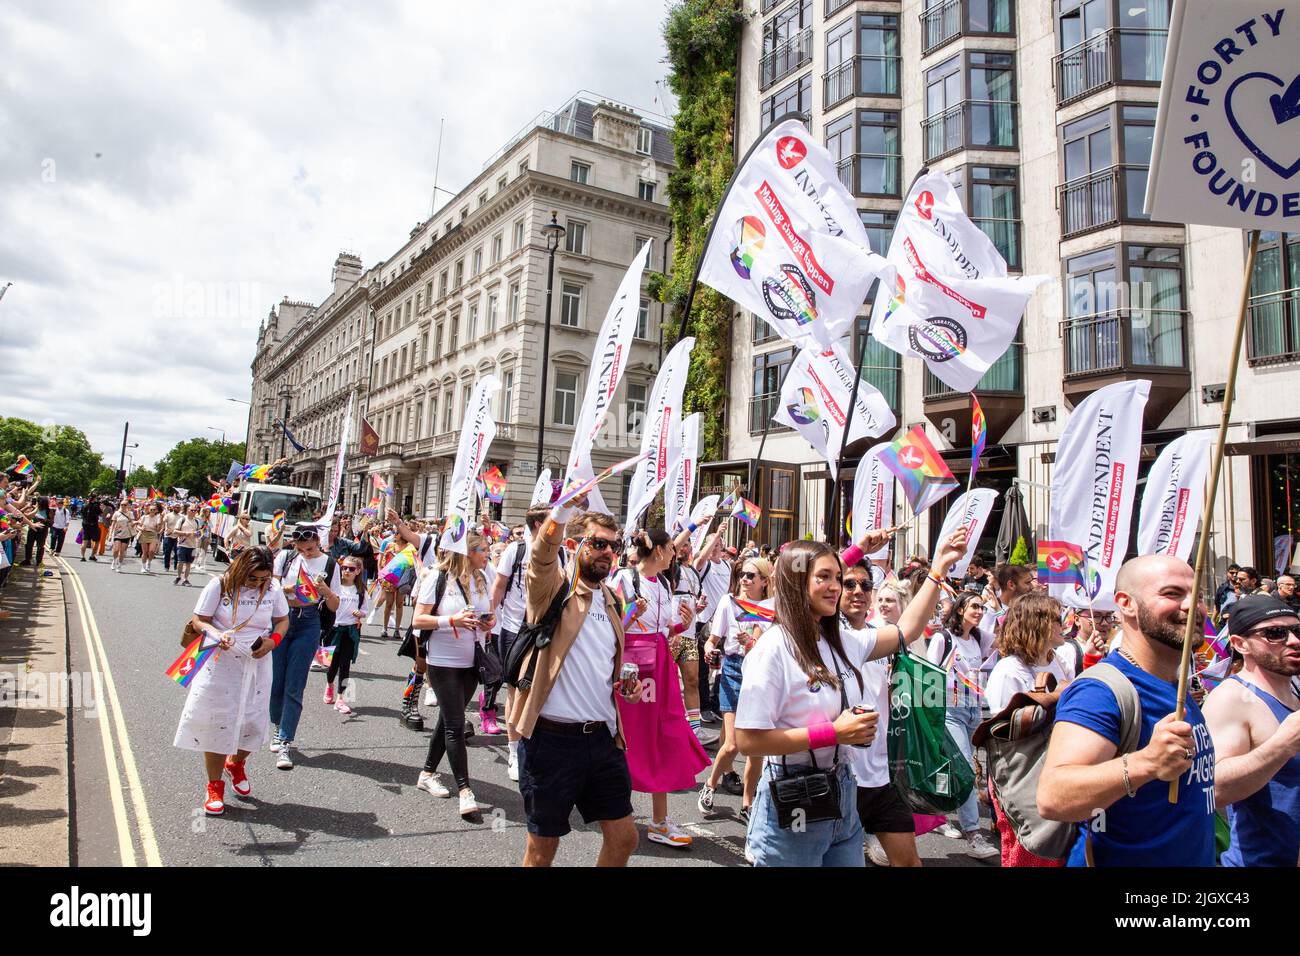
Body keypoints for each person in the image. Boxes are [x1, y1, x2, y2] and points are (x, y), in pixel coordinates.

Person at [735, 529, 970, 867]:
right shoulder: (772, 650)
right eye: (825, 578)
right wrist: (834, 732)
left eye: (838, 577)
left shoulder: (843, 641)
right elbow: (748, 740)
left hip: (845, 794)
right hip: (795, 799)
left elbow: (906, 631)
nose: (836, 586)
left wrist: (938, 568)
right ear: (797, 583)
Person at [1039, 554, 1217, 866]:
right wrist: (1147, 762)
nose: (1192, 606)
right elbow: (1053, 797)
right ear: (1126, 604)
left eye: (1197, 595)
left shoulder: (1175, 686)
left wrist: (1281, 745)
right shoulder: (1100, 691)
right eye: (1172, 593)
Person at [511, 495, 643, 867]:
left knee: (624, 838)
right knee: (542, 849)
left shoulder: (613, 599)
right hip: (551, 740)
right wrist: (562, 512)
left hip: (602, 738)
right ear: (574, 545)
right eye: (598, 543)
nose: (607, 552)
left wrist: (624, 688)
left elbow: (601, 666)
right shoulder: (554, 590)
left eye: (613, 546)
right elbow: (540, 557)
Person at [611, 529, 708, 848]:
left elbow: (667, 628)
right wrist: (630, 613)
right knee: (628, 736)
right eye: (671, 549)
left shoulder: (666, 583)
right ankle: (616, 815)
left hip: (661, 663)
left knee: (663, 735)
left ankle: (659, 820)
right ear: (659, 551)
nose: (675, 554)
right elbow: (609, 626)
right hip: (632, 665)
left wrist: (685, 620)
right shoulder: (623, 579)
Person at [174, 547, 288, 815]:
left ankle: (235, 763)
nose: (258, 584)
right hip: (220, 659)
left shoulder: (272, 588)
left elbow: (282, 620)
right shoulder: (220, 585)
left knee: (252, 721)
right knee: (218, 722)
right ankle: (214, 785)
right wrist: (216, 634)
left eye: (262, 579)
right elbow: (199, 620)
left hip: (257, 660)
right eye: (252, 579)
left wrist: (273, 641)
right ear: (240, 570)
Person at [838, 556, 930, 868]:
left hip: (881, 774)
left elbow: (912, 629)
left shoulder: (882, 636)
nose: (857, 591)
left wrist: (940, 568)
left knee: (908, 862)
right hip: (839, 775)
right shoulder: (823, 637)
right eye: (848, 584)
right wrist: (857, 548)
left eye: (865, 585)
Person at [1202, 594, 1300, 866]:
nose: (1293, 641)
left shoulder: (1295, 685)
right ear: (1239, 644)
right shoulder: (1232, 698)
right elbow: (1215, 788)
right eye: (1275, 633)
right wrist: (1282, 745)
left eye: (1297, 630)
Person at [411, 529, 496, 819]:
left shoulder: (482, 578)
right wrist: (452, 620)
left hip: (472, 661)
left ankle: (427, 774)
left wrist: (487, 623)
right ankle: (465, 791)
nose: (488, 554)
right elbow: (418, 619)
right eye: (483, 549)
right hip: (443, 660)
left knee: (449, 718)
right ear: (468, 552)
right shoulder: (436, 577)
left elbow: (489, 614)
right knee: (456, 725)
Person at [698, 556, 775, 822]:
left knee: (755, 748)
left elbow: (766, 644)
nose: (744, 579)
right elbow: (712, 641)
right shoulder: (727, 602)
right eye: (742, 574)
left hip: (760, 674)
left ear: (764, 581)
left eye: (752, 576)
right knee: (732, 745)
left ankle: (747, 804)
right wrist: (710, 653)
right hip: (732, 670)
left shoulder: (770, 607)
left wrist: (752, 643)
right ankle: (710, 785)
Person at [926, 589, 999, 858]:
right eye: (975, 607)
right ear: (960, 610)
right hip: (949, 710)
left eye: (981, 608)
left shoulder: (979, 638)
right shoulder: (942, 638)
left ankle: (936, 814)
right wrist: (931, 716)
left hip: (974, 711)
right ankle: (973, 833)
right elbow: (930, 674)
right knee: (967, 767)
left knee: (951, 767)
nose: (979, 612)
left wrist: (994, 606)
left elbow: (1003, 638)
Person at [268, 527, 343, 770]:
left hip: (308, 621)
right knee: (276, 680)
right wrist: (293, 589)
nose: (306, 554)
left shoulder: (330, 564)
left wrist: (324, 591)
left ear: (318, 542)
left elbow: (334, 605)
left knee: (295, 683)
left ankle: (286, 740)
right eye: (301, 549)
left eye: (309, 549)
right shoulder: (286, 557)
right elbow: (271, 589)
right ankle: (277, 725)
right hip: (281, 618)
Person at [489, 505, 549, 778]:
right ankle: (514, 750)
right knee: (515, 690)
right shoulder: (516, 550)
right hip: (516, 630)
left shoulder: (560, 552)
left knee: (543, 692)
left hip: (546, 632)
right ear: (539, 524)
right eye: (552, 520)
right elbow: (500, 584)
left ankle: (535, 746)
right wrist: (489, 616)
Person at [322, 556, 371, 716]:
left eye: (351, 569)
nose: (346, 571)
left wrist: (361, 613)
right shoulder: (334, 587)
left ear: (358, 571)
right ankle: (329, 685)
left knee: (345, 665)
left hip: (350, 632)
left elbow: (365, 610)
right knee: (332, 665)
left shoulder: (361, 591)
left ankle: (340, 698)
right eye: (344, 568)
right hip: (333, 631)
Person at [174, 504, 202, 587]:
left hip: (192, 545)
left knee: (189, 563)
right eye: (191, 510)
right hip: (182, 544)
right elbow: (175, 531)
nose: (193, 512)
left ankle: (185, 579)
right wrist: (185, 533)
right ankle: (178, 576)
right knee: (180, 562)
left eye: (195, 510)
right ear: (187, 510)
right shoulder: (182, 520)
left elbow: (200, 532)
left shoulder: (197, 521)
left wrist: (198, 534)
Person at [108, 499, 135, 572]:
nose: (123, 506)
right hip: (118, 534)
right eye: (121, 505)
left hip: (126, 535)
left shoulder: (130, 513)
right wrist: (110, 534)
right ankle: (114, 560)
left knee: (122, 551)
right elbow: (112, 525)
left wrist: (135, 523)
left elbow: (132, 524)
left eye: (125, 505)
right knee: (116, 550)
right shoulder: (117, 513)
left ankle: (119, 565)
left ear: (128, 506)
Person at [136, 502, 163, 574]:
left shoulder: (158, 518)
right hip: (144, 534)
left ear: (156, 511)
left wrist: (160, 523)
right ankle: (143, 566)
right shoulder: (144, 517)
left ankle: (149, 562)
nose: (152, 511)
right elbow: (137, 526)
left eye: (154, 510)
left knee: (151, 551)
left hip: (153, 534)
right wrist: (141, 529)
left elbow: (158, 530)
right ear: (148, 510)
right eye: (151, 509)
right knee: (145, 552)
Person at [78, 497, 101, 562]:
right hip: (94, 526)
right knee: (97, 541)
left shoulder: (85, 506)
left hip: (86, 525)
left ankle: (83, 557)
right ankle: (92, 556)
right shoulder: (96, 506)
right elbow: (100, 513)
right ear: (94, 499)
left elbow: (82, 514)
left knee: (84, 541)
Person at [162, 504, 182, 573]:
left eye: (179, 508)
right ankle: (166, 566)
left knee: (177, 552)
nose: (178, 509)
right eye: (177, 507)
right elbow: (163, 522)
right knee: (167, 552)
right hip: (169, 536)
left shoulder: (181, 517)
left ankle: (176, 566)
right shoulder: (168, 515)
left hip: (177, 536)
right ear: (173, 508)